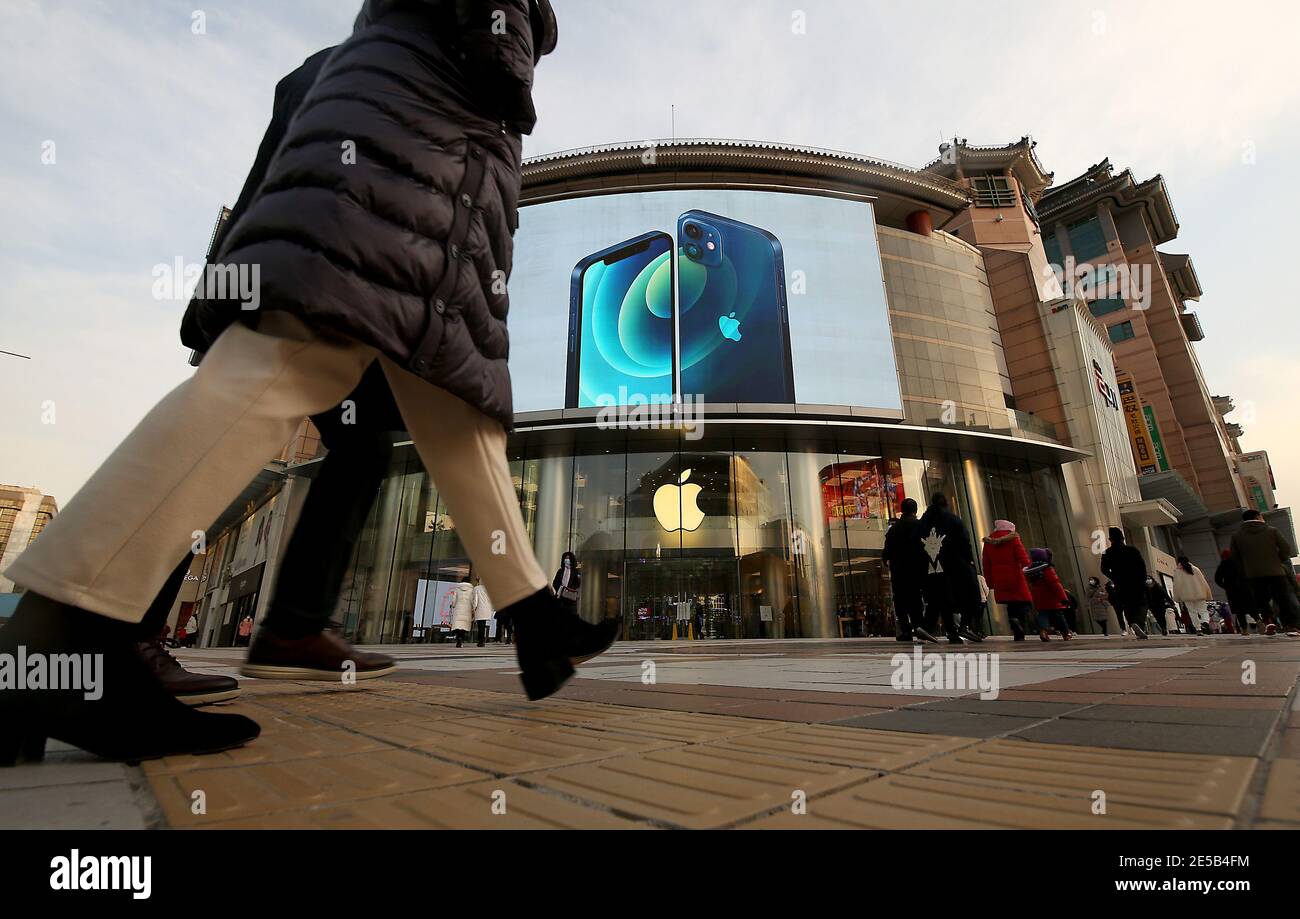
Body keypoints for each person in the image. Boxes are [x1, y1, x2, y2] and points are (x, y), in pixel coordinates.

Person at [1, 1, 621, 767]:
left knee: (456, 406)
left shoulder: (391, 45)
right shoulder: (430, 41)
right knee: (287, 367)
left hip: (418, 178)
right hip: (399, 175)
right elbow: (495, 68)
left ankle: (533, 618)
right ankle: (58, 643)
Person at [917, 493, 981, 644]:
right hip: (954, 564)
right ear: (946, 504)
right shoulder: (952, 520)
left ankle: (945, 631)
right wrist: (969, 559)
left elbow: (915, 545)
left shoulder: (923, 523)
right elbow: (964, 542)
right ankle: (962, 626)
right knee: (967, 593)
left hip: (931, 565)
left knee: (939, 597)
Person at [1230, 509, 1300, 637]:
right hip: (1276, 571)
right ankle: (1291, 626)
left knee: (1261, 599)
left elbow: (1235, 556)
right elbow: (1286, 548)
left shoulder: (1237, 536)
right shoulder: (1272, 531)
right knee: (1282, 598)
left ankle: (1268, 621)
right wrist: (1278, 559)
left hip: (1253, 573)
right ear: (1258, 517)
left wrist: (1246, 566)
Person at [882, 498, 935, 642]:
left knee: (900, 599)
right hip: (916, 568)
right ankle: (919, 626)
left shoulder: (894, 529)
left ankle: (905, 630)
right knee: (915, 598)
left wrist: (887, 560)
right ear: (915, 510)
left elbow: (887, 550)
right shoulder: (919, 526)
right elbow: (927, 546)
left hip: (898, 569)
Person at [980, 519, 1033, 641]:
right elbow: (1022, 557)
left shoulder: (988, 542)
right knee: (1023, 602)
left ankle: (1014, 624)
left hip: (999, 578)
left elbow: (986, 564)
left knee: (1010, 603)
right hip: (1015, 576)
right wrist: (1029, 569)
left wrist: (990, 582)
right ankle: (1019, 626)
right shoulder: (1013, 539)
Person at [1100, 527, 1149, 639]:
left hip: (1120, 583)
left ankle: (1132, 622)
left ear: (1110, 539)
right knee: (1142, 604)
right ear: (1122, 538)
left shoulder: (1106, 553)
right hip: (1136, 581)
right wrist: (1142, 579)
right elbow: (1142, 566)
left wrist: (1114, 577)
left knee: (1127, 605)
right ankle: (1138, 623)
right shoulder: (1132, 550)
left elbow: (1103, 569)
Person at [1025, 548, 1072, 640]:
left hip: (1038, 599)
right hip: (1052, 598)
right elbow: (1056, 585)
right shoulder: (1047, 569)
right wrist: (1064, 598)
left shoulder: (1030, 571)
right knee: (1059, 616)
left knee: (1043, 615)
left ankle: (1043, 631)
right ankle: (1066, 633)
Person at [1215, 548, 1257, 635]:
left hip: (1233, 591)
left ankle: (1244, 629)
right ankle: (1259, 621)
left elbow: (1217, 579)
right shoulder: (1241, 562)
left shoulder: (1223, 565)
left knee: (1239, 611)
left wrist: (1225, 586)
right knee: (1251, 608)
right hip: (1245, 589)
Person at [1172, 556, 1213, 634]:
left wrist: (1177, 597)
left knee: (1192, 612)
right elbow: (1203, 582)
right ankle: (1205, 622)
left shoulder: (1177, 571)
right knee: (1203, 610)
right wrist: (1207, 592)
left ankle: (1198, 629)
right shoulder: (1196, 569)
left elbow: (1176, 585)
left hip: (1186, 596)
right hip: (1199, 594)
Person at [449, 576, 476, 649]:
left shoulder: (457, 589)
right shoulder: (471, 590)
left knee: (458, 625)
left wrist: (453, 605)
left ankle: (458, 639)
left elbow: (454, 600)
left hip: (458, 608)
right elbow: (473, 600)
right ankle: (461, 639)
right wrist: (473, 609)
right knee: (464, 625)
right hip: (467, 609)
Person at [472, 579, 494, 647]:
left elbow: (475, 600)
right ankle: (482, 640)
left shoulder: (477, 588)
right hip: (487, 609)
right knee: (483, 625)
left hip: (479, 609)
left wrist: (473, 608)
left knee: (480, 626)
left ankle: (481, 641)